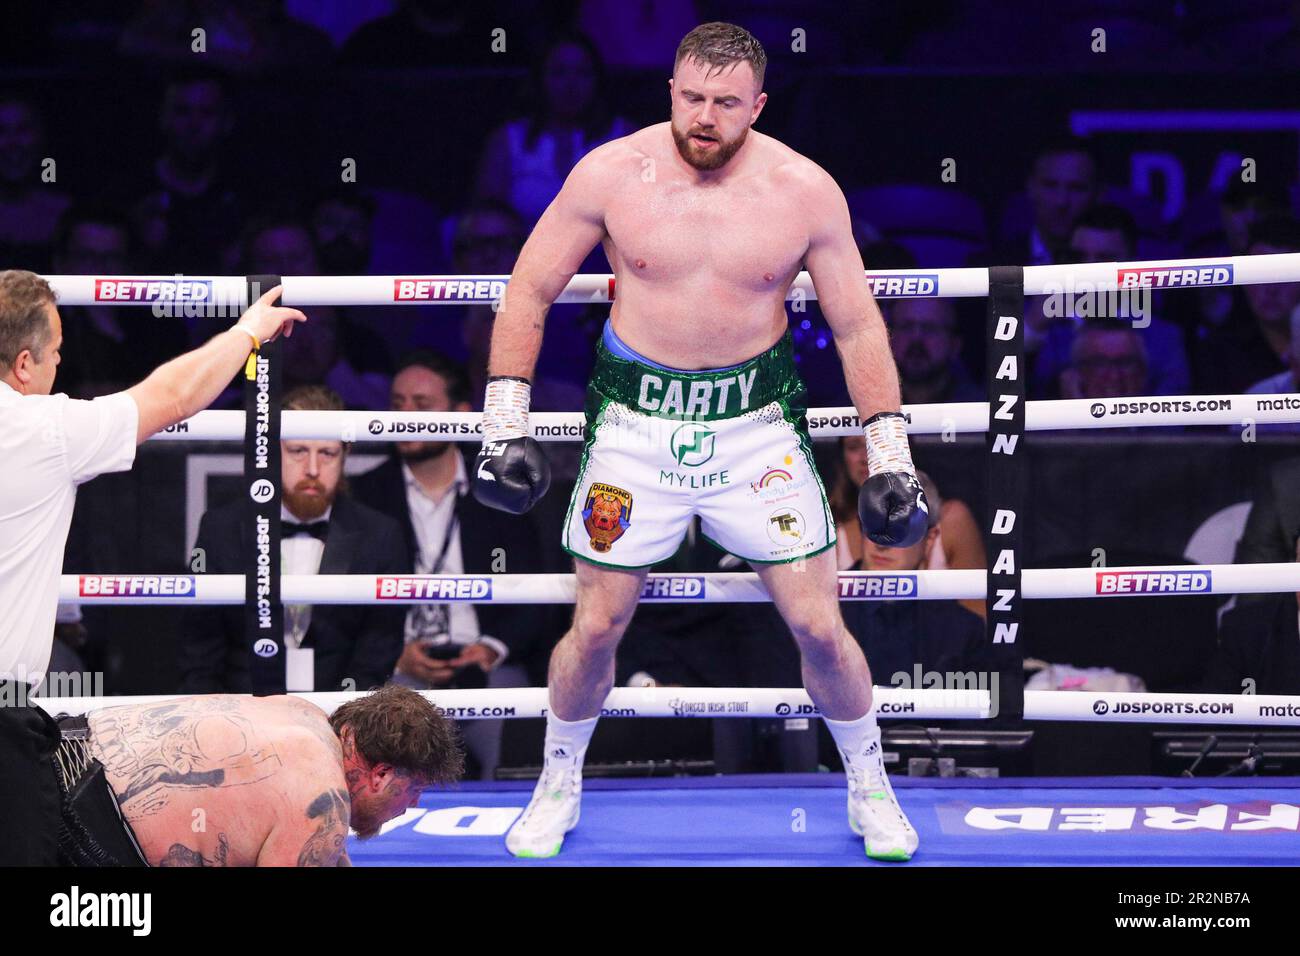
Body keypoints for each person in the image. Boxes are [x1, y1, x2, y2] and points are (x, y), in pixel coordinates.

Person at [472, 23, 929, 861]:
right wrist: (505, 423)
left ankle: (871, 783)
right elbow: (530, 285)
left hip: (757, 430)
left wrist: (890, 455)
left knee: (821, 627)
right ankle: (558, 778)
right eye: (691, 99)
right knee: (599, 623)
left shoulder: (803, 189)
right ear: (670, 92)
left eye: (725, 103)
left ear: (757, 104)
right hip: (633, 431)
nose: (705, 118)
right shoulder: (611, 173)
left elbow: (858, 324)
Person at [0, 268, 304, 864]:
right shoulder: (42, 431)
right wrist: (246, 332)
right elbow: (173, 396)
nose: (61, 368)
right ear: (25, 363)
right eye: (57, 354)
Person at [351, 351, 561, 777]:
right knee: (380, 715)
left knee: (514, 711)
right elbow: (349, 606)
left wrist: (490, 649)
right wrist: (396, 656)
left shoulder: (501, 491)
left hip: (487, 662)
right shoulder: (363, 494)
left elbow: (534, 595)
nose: (406, 417)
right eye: (397, 404)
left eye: (421, 405)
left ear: (462, 415)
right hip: (397, 668)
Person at [46, 683, 462, 866]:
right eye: (415, 789)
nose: (414, 806)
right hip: (73, 819)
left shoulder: (304, 717)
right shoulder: (324, 804)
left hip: (51, 743)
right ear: (382, 774)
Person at [180, 385, 407, 694]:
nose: (312, 469)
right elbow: (200, 648)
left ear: (345, 455)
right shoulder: (221, 528)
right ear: (273, 451)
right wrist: (217, 724)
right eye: (298, 451)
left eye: (327, 453)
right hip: (241, 711)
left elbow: (377, 652)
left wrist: (342, 720)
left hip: (339, 711)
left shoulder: (381, 535)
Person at [830, 437, 985, 619]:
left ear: (929, 538)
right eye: (854, 446)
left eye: (879, 442)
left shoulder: (951, 519)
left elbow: (977, 624)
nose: (867, 457)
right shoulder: (828, 526)